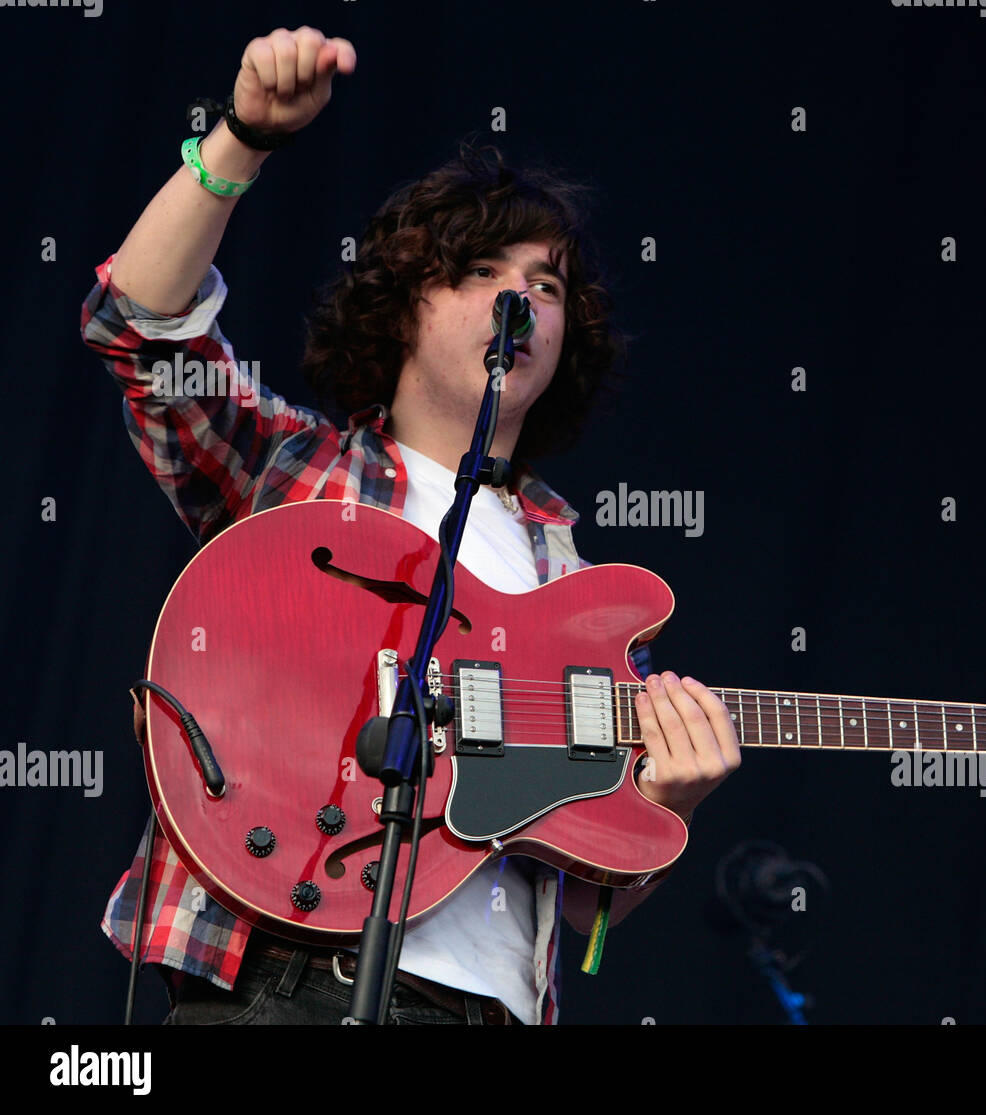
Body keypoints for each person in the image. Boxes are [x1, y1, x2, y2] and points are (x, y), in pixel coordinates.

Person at [81, 26, 740, 1025]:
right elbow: (137, 324)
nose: (522, 295)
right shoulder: (302, 472)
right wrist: (240, 141)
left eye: (549, 285)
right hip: (284, 982)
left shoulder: (574, 577)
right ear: (404, 303)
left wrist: (670, 803)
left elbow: (584, 900)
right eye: (484, 269)